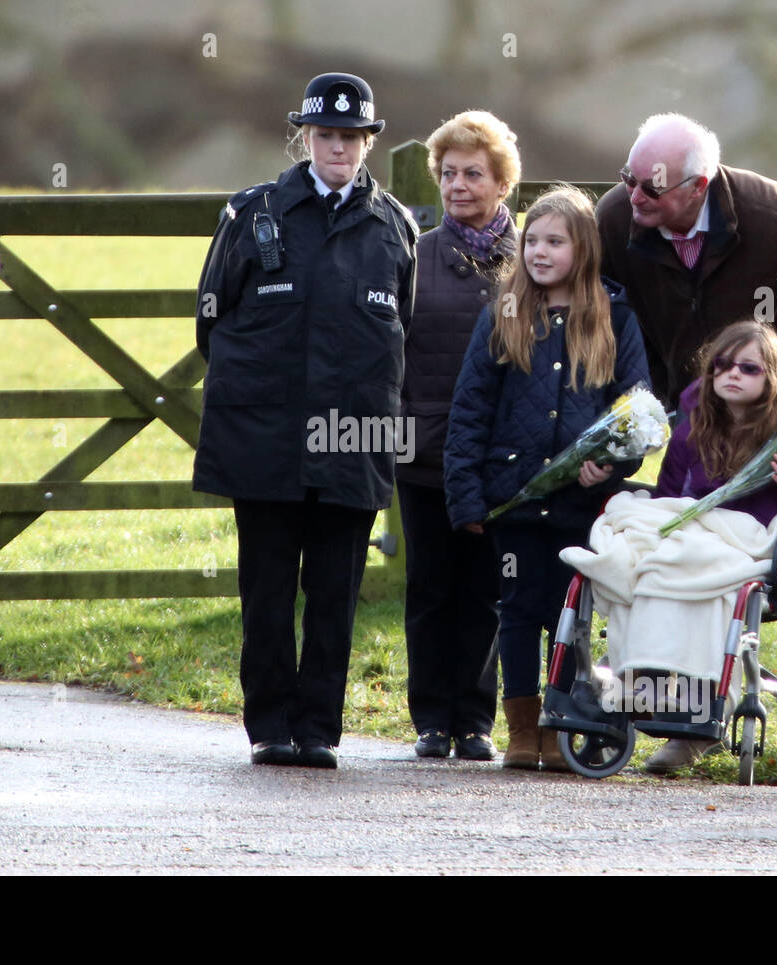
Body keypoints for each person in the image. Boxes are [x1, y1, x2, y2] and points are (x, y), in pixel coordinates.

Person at [596, 113, 777, 765]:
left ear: (697, 186)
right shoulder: (619, 216)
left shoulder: (770, 216)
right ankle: (684, 718)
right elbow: (590, 304)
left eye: (651, 186)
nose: (633, 195)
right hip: (694, 398)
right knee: (684, 547)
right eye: (628, 178)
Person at [193, 72, 418, 769]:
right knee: (265, 591)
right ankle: (269, 725)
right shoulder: (251, 215)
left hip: (354, 441)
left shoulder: (396, 229)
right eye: (327, 135)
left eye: (352, 137)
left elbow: (401, 329)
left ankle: (319, 727)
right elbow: (211, 319)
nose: (339, 148)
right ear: (306, 137)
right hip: (265, 440)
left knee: (333, 595)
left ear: (368, 142)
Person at [444, 186, 649, 770]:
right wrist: (467, 498)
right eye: (531, 239)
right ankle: (521, 729)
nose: (538, 251)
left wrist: (612, 463)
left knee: (571, 611)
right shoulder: (504, 314)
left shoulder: (616, 317)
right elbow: (470, 411)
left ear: (582, 249)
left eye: (554, 241)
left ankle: (564, 723)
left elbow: (635, 407)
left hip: (582, 507)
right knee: (517, 610)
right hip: (512, 502)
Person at [643, 319, 777, 770]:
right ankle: (634, 686)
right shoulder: (693, 425)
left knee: (710, 581)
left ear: (772, 375)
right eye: (722, 365)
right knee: (649, 567)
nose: (732, 374)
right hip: (698, 538)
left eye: (748, 368)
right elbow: (668, 496)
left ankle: (698, 724)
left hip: (758, 547)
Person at [399, 110, 520, 761]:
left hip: (498, 460)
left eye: (473, 173)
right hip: (422, 455)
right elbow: (389, 350)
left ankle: (474, 720)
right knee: (429, 588)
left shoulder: (530, 260)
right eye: (448, 173)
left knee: (485, 591)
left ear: (502, 183)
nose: (457, 185)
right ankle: (430, 719)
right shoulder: (415, 258)